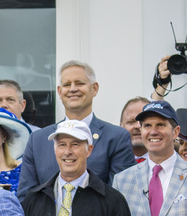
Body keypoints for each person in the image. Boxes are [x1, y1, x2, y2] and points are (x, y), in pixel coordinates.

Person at [17, 61, 136, 201]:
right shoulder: (37, 140)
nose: (73, 89)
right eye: (67, 84)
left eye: (79, 83)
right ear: (60, 92)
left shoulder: (116, 138)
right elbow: (26, 198)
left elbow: (120, 196)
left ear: (95, 88)